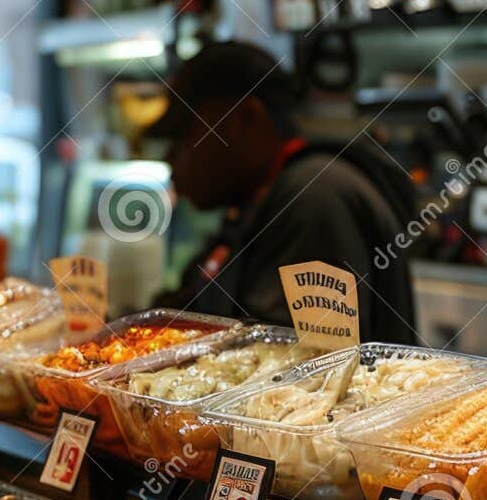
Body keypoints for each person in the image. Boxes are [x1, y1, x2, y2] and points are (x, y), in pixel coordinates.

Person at [162, 41, 420, 342]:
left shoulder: (313, 196)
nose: (170, 158)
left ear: (245, 118)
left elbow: (300, 361)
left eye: (182, 137)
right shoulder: (260, 201)